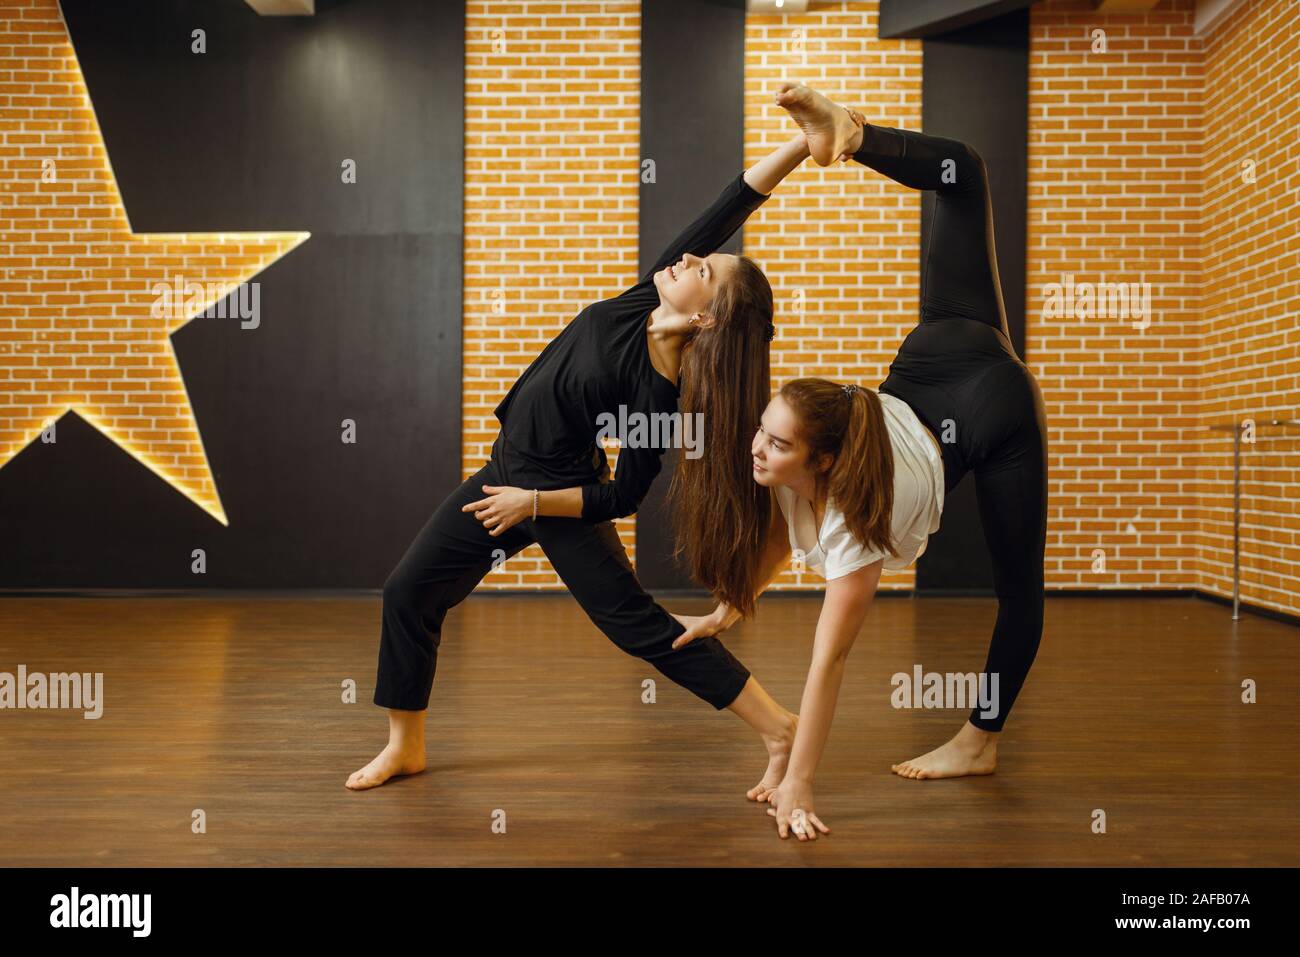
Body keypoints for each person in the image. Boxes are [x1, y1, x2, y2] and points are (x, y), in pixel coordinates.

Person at [347, 131, 819, 794]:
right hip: (503, 474)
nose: (688, 258)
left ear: (706, 318)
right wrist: (804, 143)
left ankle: (779, 727)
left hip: (553, 499)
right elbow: (734, 202)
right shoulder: (642, 303)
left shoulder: (658, 389)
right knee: (409, 590)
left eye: (704, 271)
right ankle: (405, 745)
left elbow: (623, 494)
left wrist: (531, 505)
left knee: (638, 627)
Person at [676, 83, 1049, 840]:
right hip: (933, 363)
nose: (757, 447)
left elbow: (827, 665)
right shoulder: (785, 466)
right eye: (765, 434)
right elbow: (782, 535)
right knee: (964, 175)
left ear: (822, 456)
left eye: (776, 443)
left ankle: (980, 739)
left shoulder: (852, 532)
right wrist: (733, 603)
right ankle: (845, 134)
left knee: (1020, 588)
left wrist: (799, 783)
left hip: (992, 405)